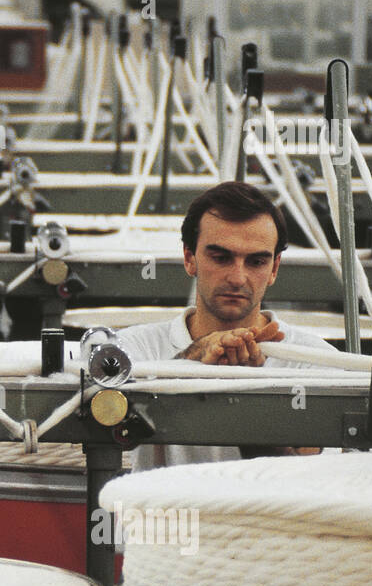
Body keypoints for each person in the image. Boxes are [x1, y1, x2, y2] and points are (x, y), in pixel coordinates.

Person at [117, 181, 334, 470]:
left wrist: (251, 398)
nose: (237, 277)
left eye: (256, 261)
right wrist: (191, 360)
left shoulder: (315, 365)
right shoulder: (136, 348)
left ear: (274, 269)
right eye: (221, 258)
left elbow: (314, 477)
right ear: (189, 258)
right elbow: (92, 397)